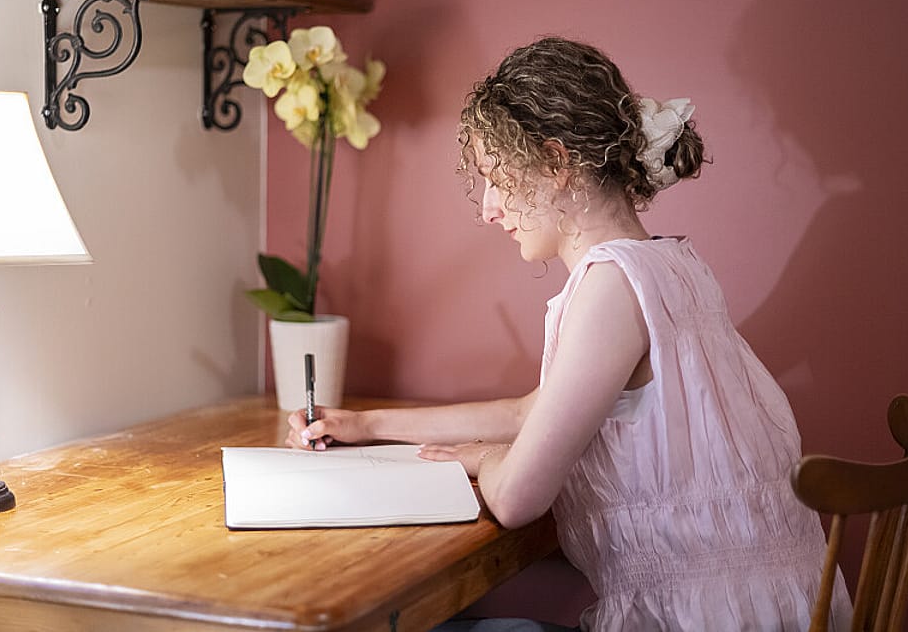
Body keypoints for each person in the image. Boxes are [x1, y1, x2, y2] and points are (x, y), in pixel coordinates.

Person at [286, 37, 851, 631]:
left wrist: (485, 460)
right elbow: (535, 409)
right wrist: (365, 425)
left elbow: (515, 498)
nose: (488, 209)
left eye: (496, 179)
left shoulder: (612, 286)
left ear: (556, 165)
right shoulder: (671, 265)